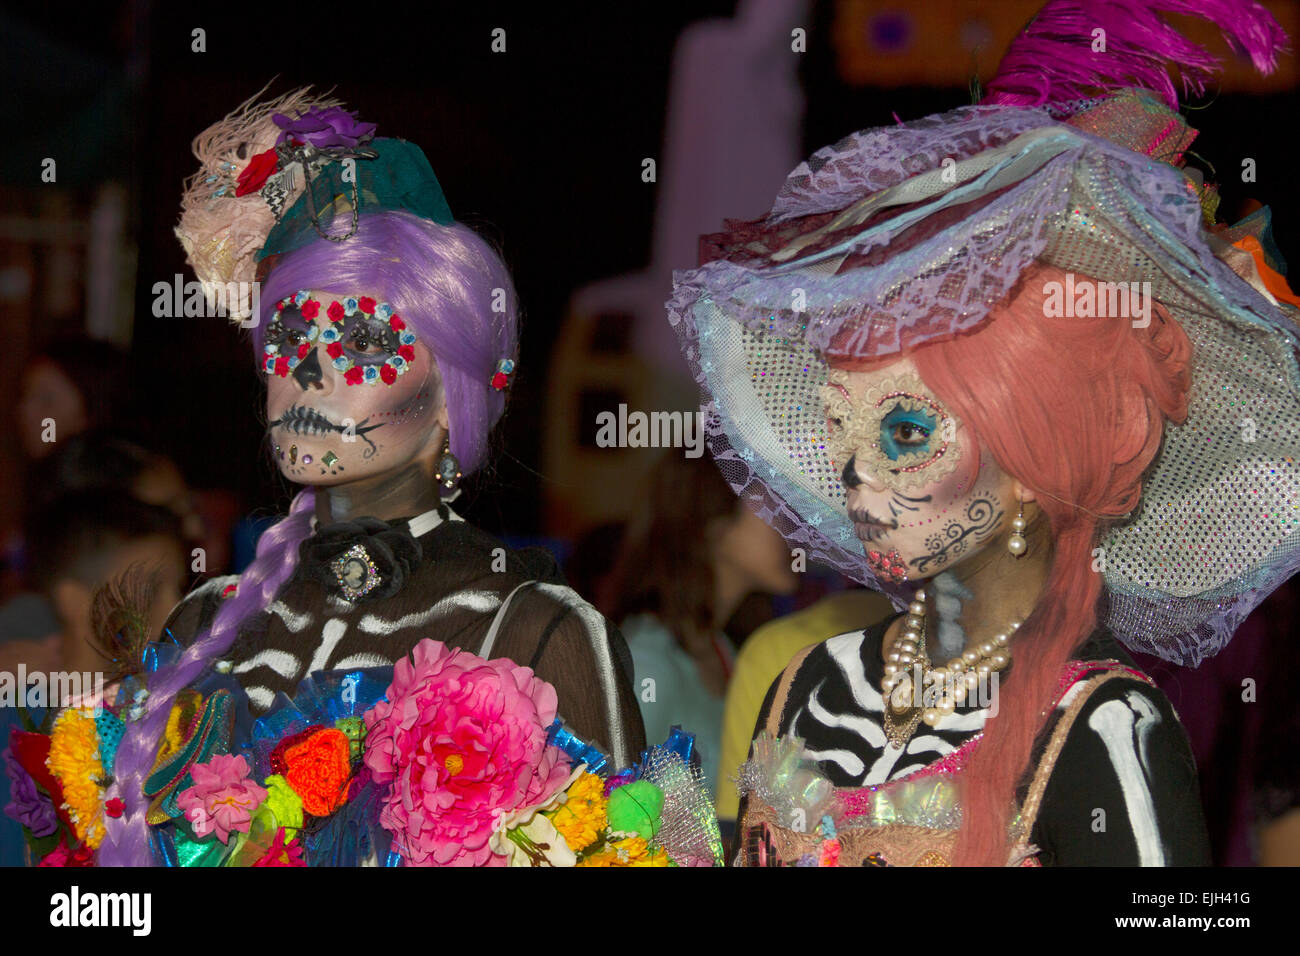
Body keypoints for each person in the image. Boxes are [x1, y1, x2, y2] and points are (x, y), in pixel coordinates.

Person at [667, 0, 1298, 865]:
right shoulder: (804, 688)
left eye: (905, 433)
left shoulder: (1103, 726)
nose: (852, 476)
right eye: (838, 427)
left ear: (1036, 458)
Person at [93, 88, 645, 866]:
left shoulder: (533, 632)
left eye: (360, 339)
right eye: (288, 334)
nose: (311, 371)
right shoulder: (203, 625)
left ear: (454, 395)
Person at [610, 450, 798, 794]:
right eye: (774, 506)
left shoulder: (722, 649)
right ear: (715, 518)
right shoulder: (650, 663)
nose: (796, 525)